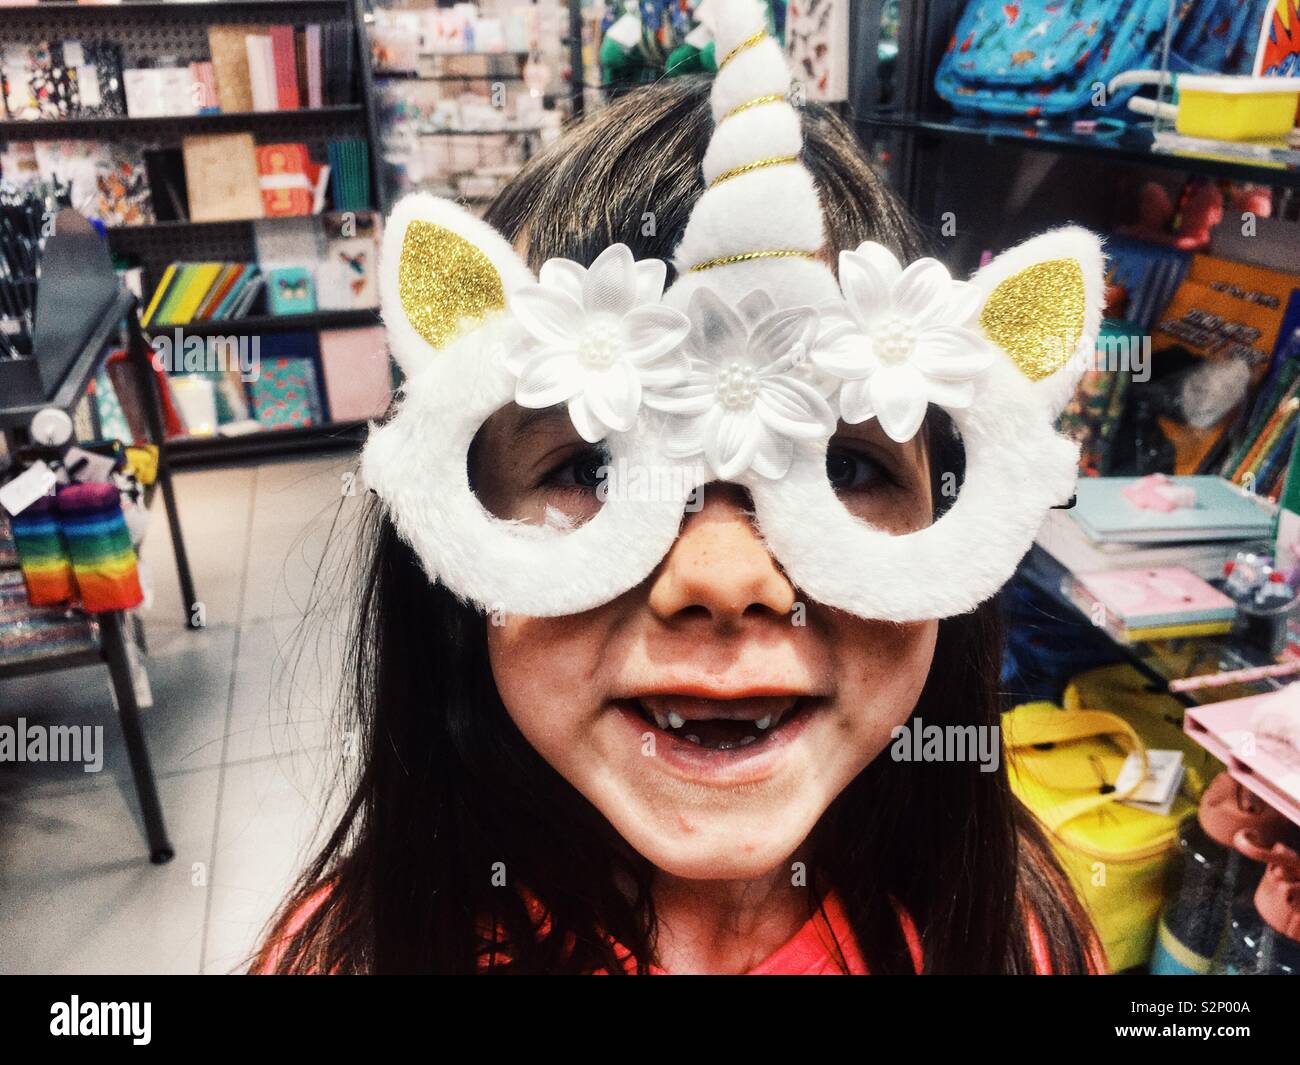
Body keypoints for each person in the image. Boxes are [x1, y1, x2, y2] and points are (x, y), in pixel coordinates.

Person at [254, 0, 1106, 975]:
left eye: (844, 465)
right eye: (585, 465)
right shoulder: (359, 956)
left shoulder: (1013, 935)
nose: (723, 578)